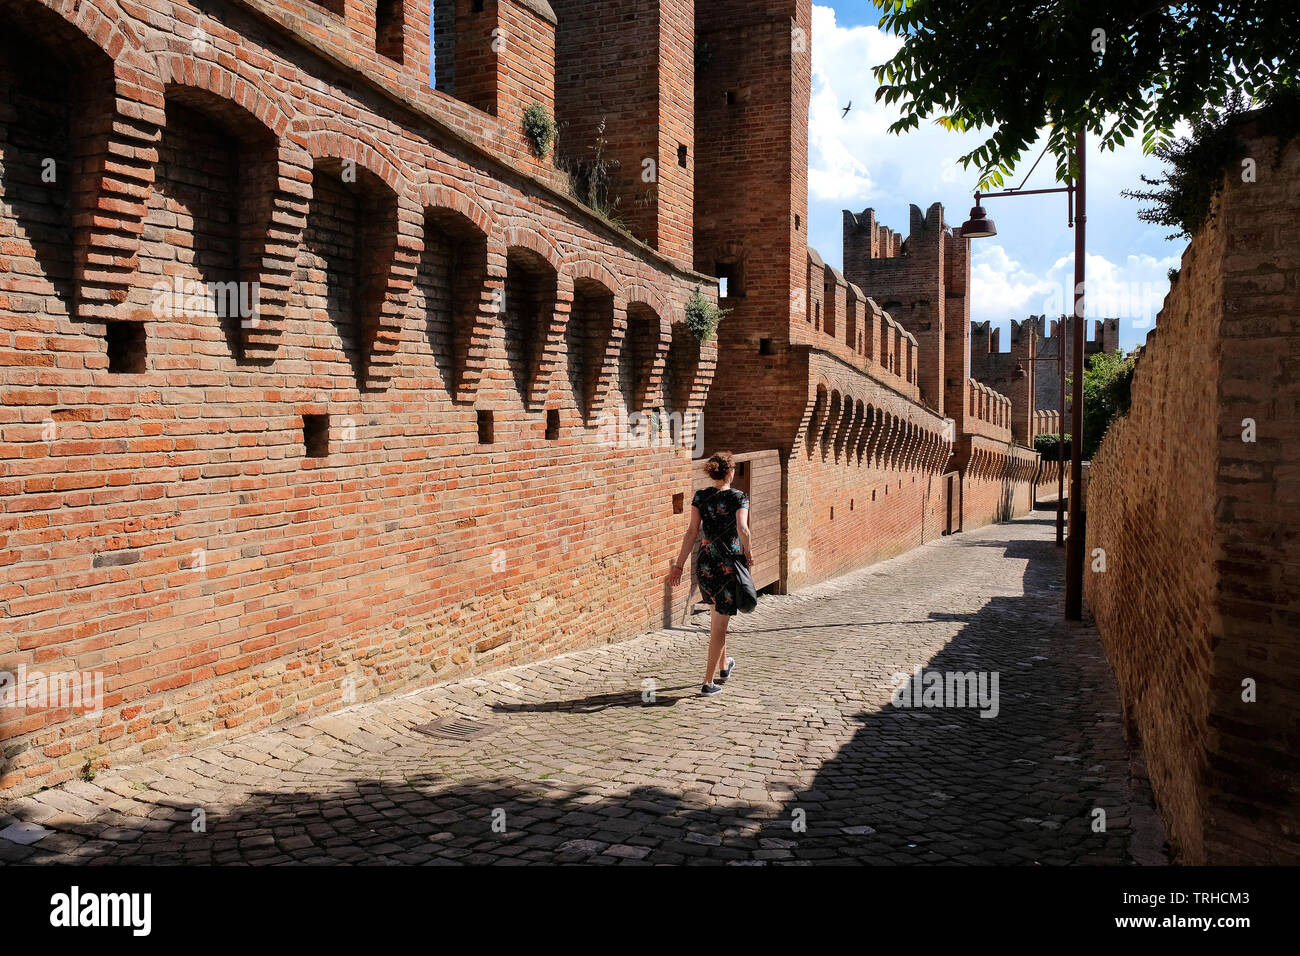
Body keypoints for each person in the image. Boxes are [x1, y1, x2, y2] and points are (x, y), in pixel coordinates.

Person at [668, 451, 753, 696]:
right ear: (730, 472)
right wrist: (748, 552)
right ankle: (707, 682)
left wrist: (679, 565)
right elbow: (742, 528)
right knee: (719, 626)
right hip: (728, 565)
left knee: (718, 616)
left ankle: (724, 666)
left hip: (706, 563)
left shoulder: (700, 496)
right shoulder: (739, 497)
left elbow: (692, 532)